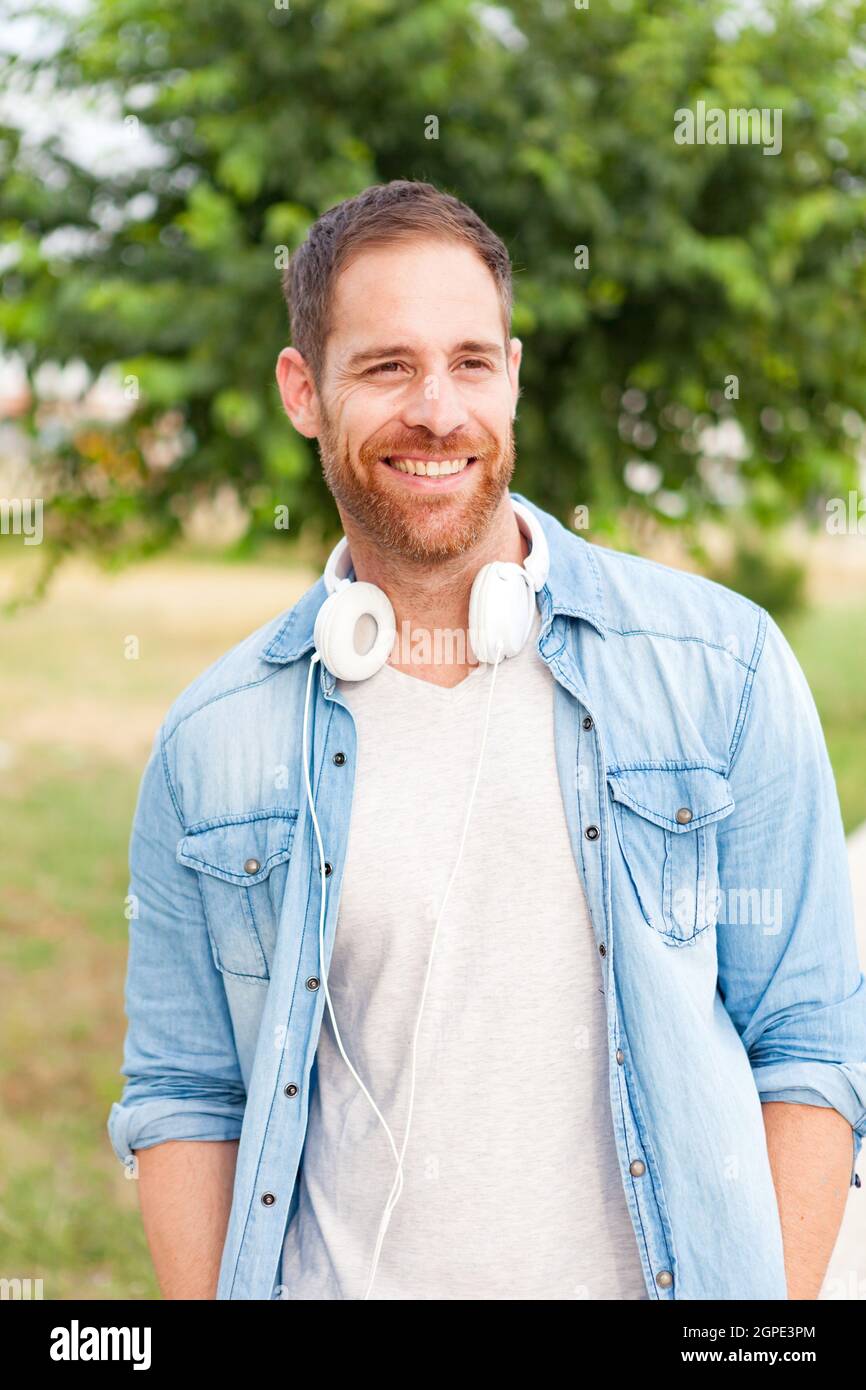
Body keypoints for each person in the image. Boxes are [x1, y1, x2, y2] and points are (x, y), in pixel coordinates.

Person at [108, 179, 866, 1301]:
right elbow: (187, 1096)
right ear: (302, 391)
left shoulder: (723, 670)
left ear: (511, 374)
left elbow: (807, 1045)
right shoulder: (211, 745)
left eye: (470, 361)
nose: (437, 410)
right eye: (387, 366)